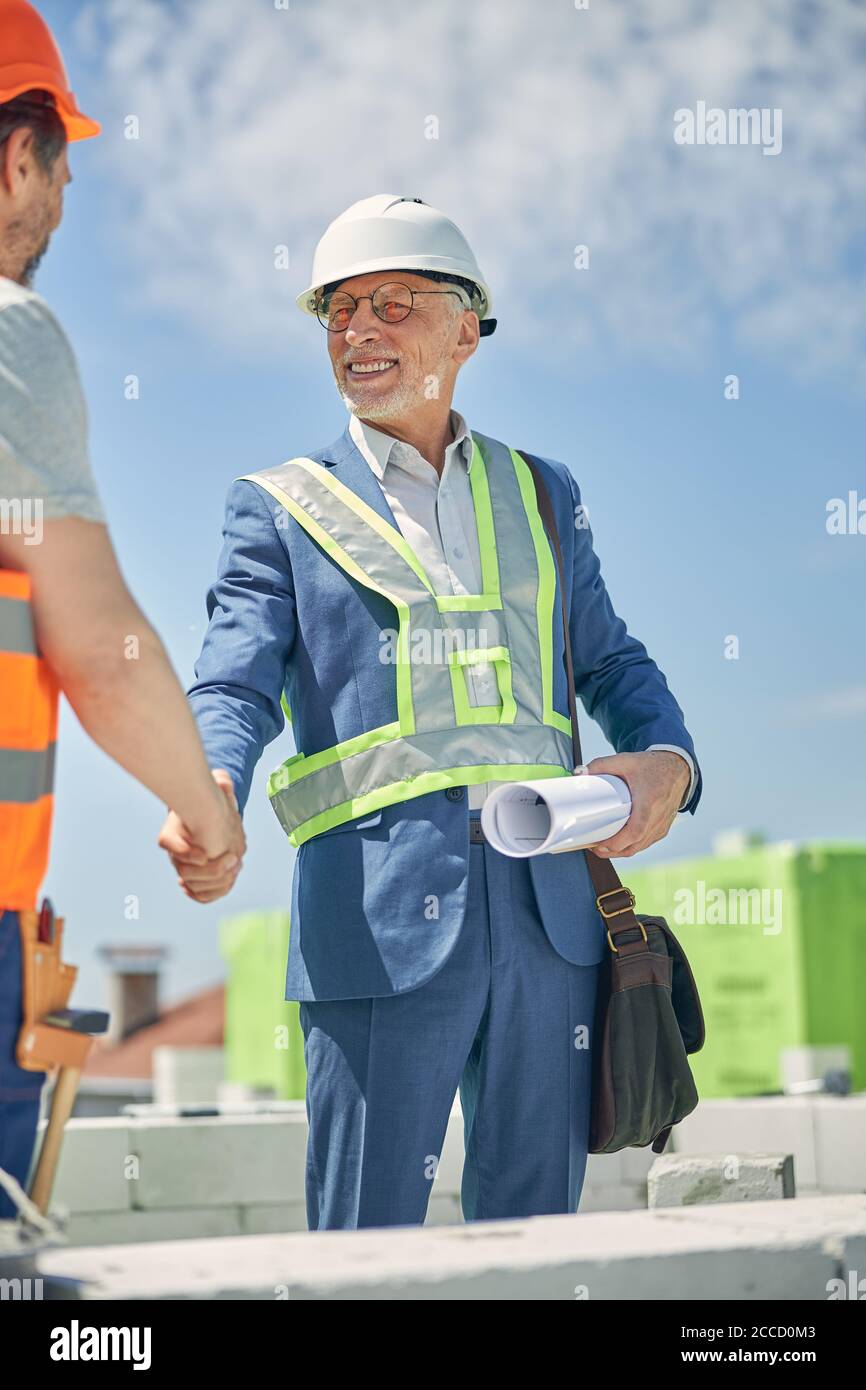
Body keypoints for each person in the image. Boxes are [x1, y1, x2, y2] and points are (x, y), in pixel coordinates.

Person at [168, 193, 701, 1229]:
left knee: (536, 1243)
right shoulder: (279, 505)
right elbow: (232, 679)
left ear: (465, 329)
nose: (358, 329)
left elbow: (609, 657)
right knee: (363, 1249)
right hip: (373, 923)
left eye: (392, 305)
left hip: (551, 923)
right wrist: (209, 783)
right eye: (338, 309)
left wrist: (666, 759)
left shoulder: (543, 492)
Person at [0, 0, 245, 1219]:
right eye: (61, 170)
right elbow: (97, 647)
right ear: (14, 159)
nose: (57, 206)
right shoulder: (8, 333)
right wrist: (205, 811)